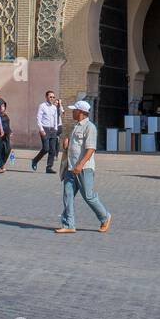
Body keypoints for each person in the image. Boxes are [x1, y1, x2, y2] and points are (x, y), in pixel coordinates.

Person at [55, 100, 112, 235]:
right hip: (70, 167)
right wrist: (66, 145)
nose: (72, 112)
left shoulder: (90, 127)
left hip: (84, 168)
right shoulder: (76, 126)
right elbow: (74, 147)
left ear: (81, 112)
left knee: (88, 196)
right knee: (67, 195)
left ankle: (105, 217)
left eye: (74, 110)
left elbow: (91, 149)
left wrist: (80, 165)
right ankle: (69, 224)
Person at [32, 90, 62, 173]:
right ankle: (35, 160)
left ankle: (49, 167)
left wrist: (56, 129)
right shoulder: (42, 106)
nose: (52, 98)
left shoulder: (54, 108)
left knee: (52, 150)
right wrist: (41, 129)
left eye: (53, 97)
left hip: (53, 130)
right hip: (45, 129)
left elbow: (56, 118)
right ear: (46, 97)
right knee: (46, 148)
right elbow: (38, 118)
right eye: (50, 97)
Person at [0, 98, 13, 167]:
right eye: (0, 106)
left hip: (6, 135)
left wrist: (10, 131)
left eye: (3, 106)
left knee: (8, 148)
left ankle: (2, 162)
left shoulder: (5, 115)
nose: (2, 108)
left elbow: (7, 125)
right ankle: (0, 164)